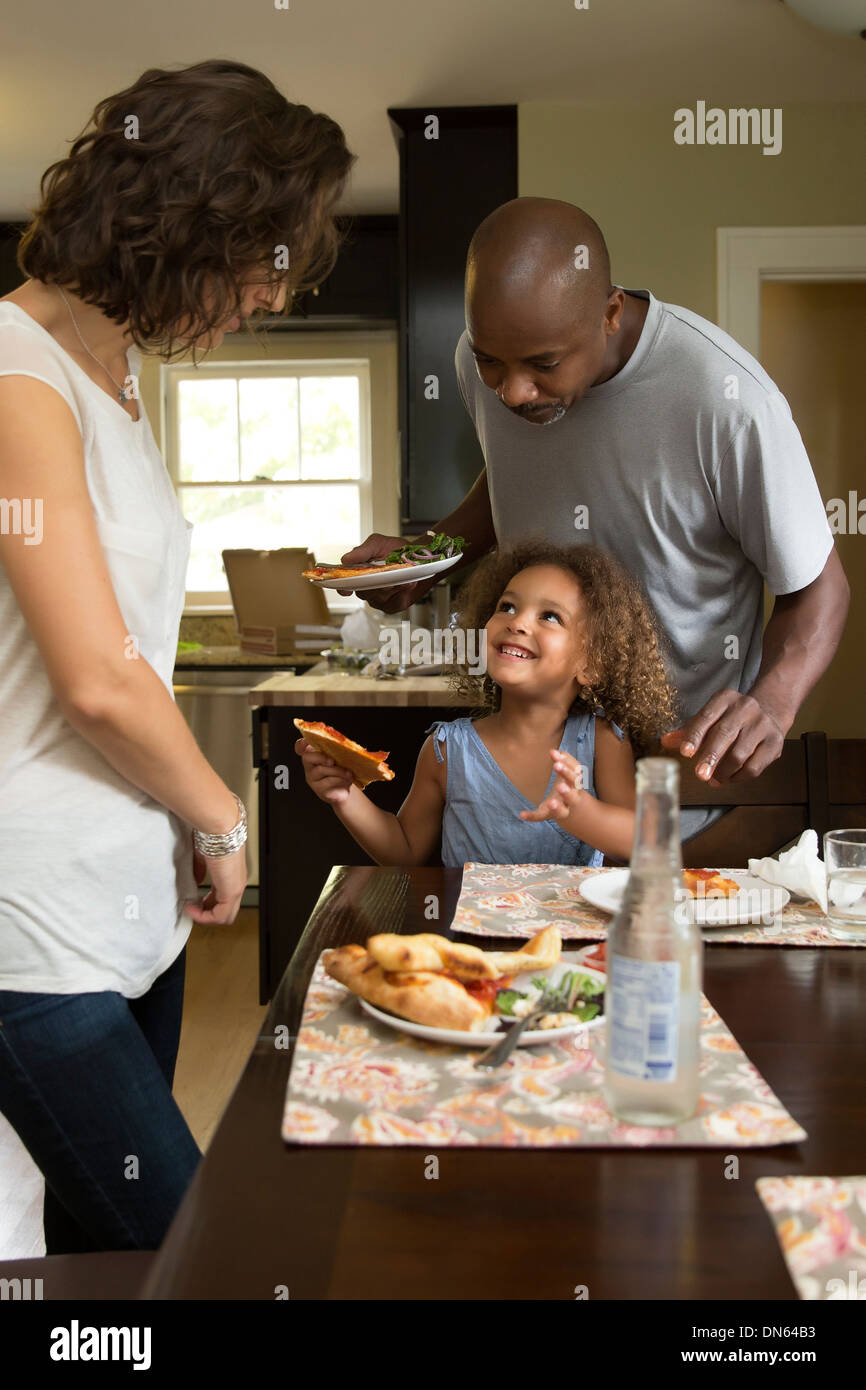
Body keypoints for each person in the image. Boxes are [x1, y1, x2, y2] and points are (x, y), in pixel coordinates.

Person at [0, 60, 354, 1253]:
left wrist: (177, 831)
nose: (269, 297)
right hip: (29, 919)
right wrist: (224, 816)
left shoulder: (117, 376)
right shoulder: (16, 374)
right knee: (184, 1248)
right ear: (192, 222)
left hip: (128, 904)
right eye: (265, 263)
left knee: (104, 1262)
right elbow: (98, 678)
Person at [338, 198, 849, 840]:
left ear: (609, 313)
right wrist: (430, 554)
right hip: (541, 767)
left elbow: (819, 587)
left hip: (682, 780)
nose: (514, 392)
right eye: (493, 361)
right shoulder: (486, 362)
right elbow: (519, 477)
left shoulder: (726, 401)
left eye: (544, 365)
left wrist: (774, 702)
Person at [296, 542, 678, 866]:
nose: (518, 622)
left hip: (567, 948)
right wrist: (345, 796)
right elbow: (405, 850)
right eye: (508, 607)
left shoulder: (603, 741)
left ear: (591, 663)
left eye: (550, 616)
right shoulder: (447, 750)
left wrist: (581, 813)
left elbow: (644, 843)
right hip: (469, 948)